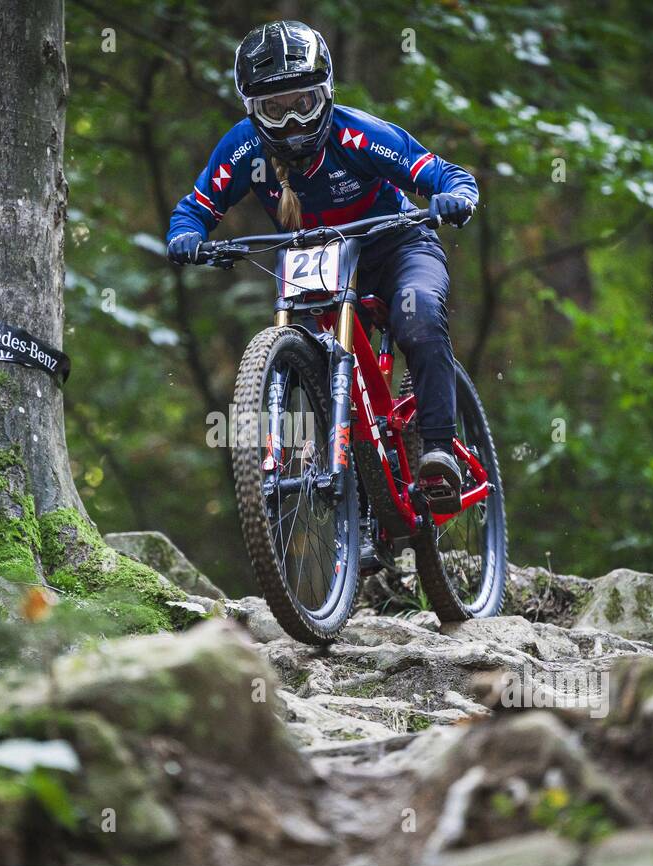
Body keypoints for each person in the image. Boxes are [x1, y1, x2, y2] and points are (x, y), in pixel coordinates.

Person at [166, 20, 479, 510]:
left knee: (416, 319)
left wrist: (455, 197)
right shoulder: (243, 148)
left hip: (396, 248)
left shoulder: (359, 135)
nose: (291, 123)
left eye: (303, 104)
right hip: (316, 259)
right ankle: (332, 468)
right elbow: (196, 208)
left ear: (326, 95)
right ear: (253, 110)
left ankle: (438, 450)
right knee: (306, 352)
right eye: (275, 109)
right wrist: (186, 237)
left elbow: (443, 174)